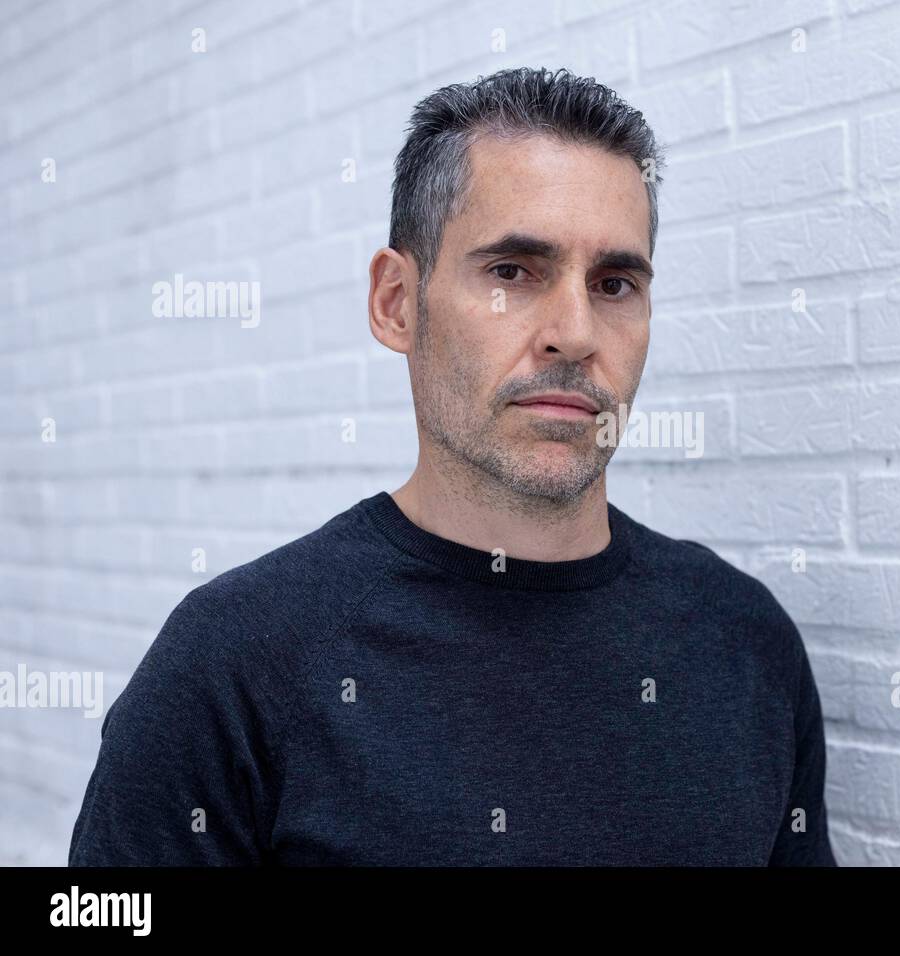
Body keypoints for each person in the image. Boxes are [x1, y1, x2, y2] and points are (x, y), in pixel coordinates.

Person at [68, 66, 837, 866]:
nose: (574, 332)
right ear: (397, 302)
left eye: (614, 283)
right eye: (512, 273)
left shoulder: (744, 644)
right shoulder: (236, 664)